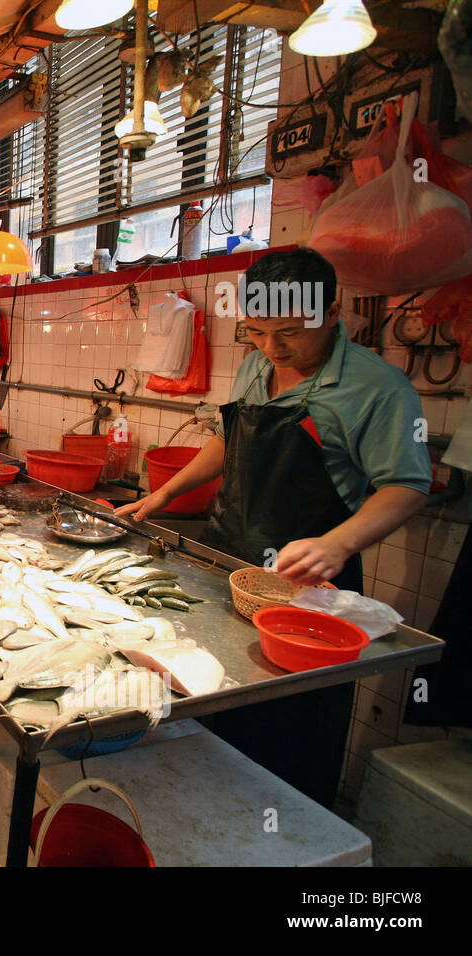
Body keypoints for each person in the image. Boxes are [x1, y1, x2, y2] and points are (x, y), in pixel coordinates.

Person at [115, 247, 431, 806]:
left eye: (289, 332)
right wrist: (164, 492)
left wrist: (338, 544)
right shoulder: (257, 364)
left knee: (285, 729)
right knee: (207, 700)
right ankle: (198, 814)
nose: (272, 348)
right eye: (256, 332)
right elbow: (228, 440)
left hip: (308, 585)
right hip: (227, 563)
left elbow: (407, 485)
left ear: (334, 312)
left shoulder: (380, 389)